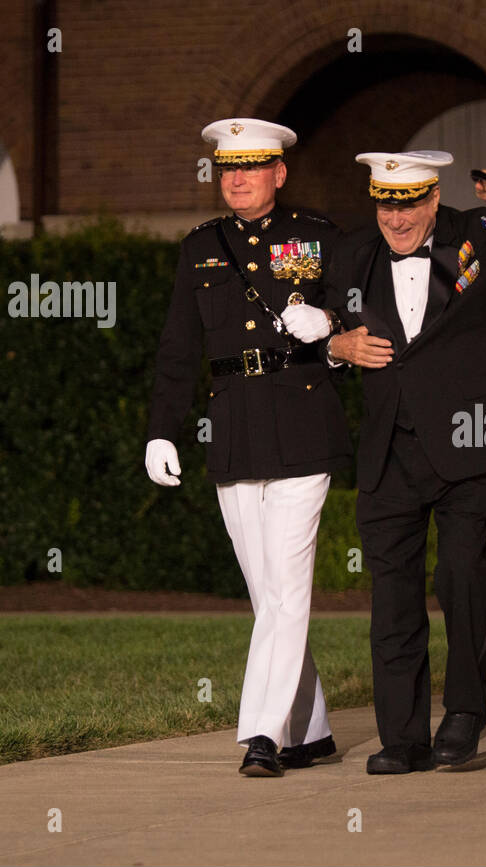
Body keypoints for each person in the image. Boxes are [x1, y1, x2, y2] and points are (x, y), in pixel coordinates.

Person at [323, 150, 486, 773]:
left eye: (409, 205)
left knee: (459, 574)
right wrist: (338, 347)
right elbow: (317, 325)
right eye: (385, 205)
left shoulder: (476, 234)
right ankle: (402, 739)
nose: (396, 219)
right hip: (389, 449)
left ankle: (466, 711)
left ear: (432, 199)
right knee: (393, 595)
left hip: (470, 438)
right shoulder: (351, 253)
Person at [145, 118, 351, 777]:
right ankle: (312, 730)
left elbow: (364, 312)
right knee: (269, 593)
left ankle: (263, 734)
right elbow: (178, 348)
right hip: (233, 422)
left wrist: (332, 325)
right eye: (226, 166)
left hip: (300, 417)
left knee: (287, 589)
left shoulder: (316, 237)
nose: (236, 177)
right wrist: (160, 428)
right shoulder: (199, 247)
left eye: (252, 165)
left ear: (279, 172)